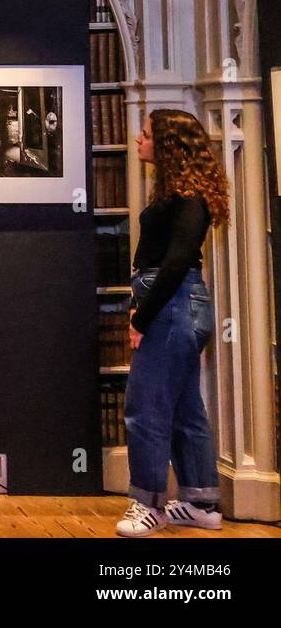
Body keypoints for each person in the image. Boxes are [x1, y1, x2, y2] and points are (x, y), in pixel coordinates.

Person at [116, 110, 229, 537]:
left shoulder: (188, 196)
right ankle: (201, 503)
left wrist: (142, 317)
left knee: (145, 407)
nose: (138, 139)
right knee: (184, 407)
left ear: (167, 146)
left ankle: (148, 504)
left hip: (173, 307)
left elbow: (178, 261)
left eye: (146, 134)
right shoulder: (181, 192)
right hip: (176, 306)